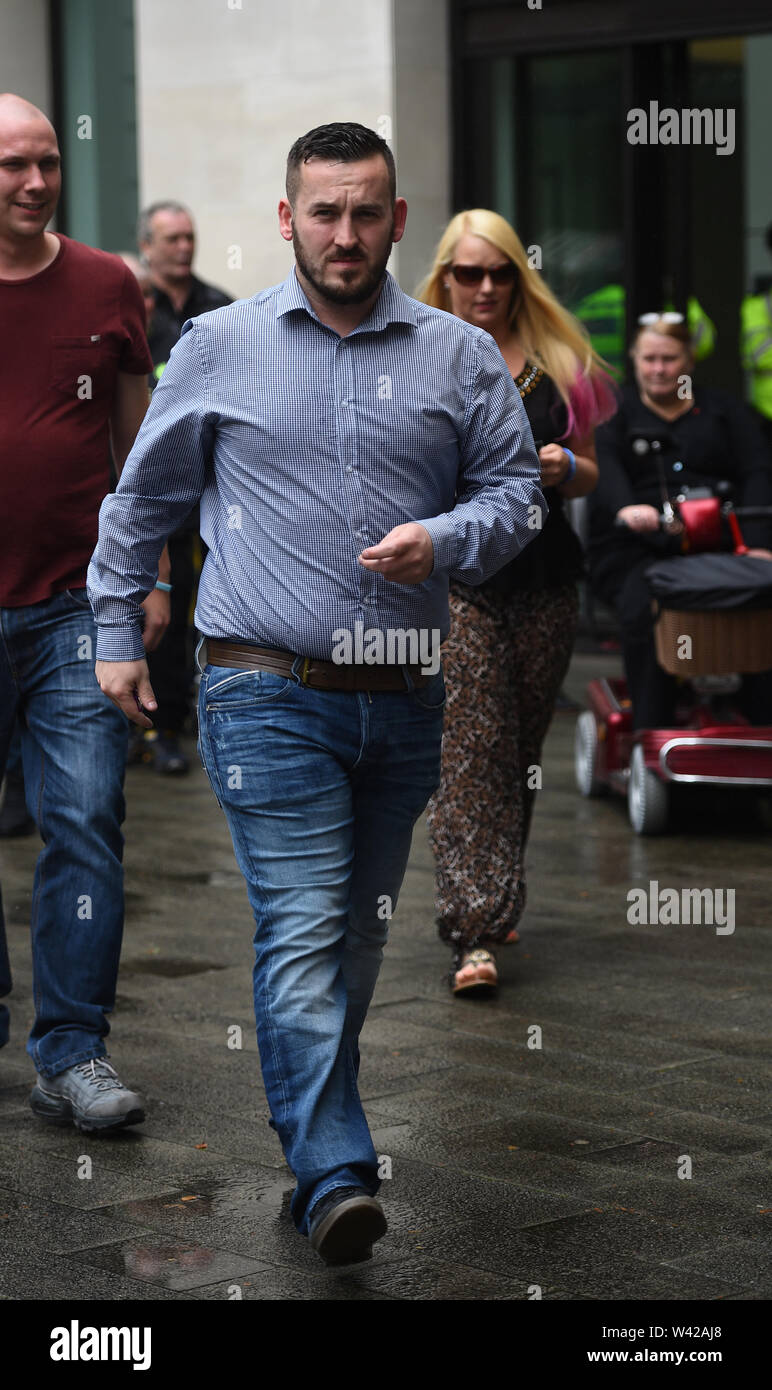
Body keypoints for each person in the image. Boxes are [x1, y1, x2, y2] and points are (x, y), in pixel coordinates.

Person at [88, 122, 545, 1265]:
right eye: (324, 212)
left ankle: (313, 1145)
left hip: (399, 695)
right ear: (289, 219)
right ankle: (336, 1167)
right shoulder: (216, 345)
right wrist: (115, 628)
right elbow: (139, 504)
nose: (346, 233)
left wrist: (441, 539)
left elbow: (515, 501)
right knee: (301, 927)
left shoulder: (456, 354)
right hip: (261, 688)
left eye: (367, 211)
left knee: (353, 939)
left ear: (397, 220)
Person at [0, 93, 168, 1130]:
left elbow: (142, 451)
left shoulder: (110, 283)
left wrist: (149, 577)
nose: (32, 182)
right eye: (11, 165)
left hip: (76, 604)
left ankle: (72, 1051)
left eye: (47, 162)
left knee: (88, 822)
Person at [418, 209, 616, 995]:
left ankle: (496, 902)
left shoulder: (560, 360)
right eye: (470, 273)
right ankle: (471, 930)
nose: (487, 286)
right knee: (469, 748)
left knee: (520, 751)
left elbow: (597, 472)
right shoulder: (418, 352)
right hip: (460, 581)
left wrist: (568, 464)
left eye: (501, 271)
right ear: (445, 277)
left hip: (545, 578)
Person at [588, 315, 772, 730]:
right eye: (649, 358)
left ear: (688, 360)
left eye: (669, 359)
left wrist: (759, 544)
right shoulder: (615, 415)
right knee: (643, 611)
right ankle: (653, 732)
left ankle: (761, 725)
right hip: (637, 550)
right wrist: (628, 509)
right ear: (634, 360)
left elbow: (759, 471)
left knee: (761, 604)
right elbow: (605, 469)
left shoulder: (727, 412)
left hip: (721, 547)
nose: (658, 369)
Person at [136, 202, 233, 774]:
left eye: (190, 237)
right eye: (171, 238)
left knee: (195, 604)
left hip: (209, 487)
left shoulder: (217, 305)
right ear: (147, 246)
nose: (183, 247)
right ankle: (150, 724)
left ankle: (179, 717)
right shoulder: (134, 307)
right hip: (147, 479)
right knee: (152, 604)